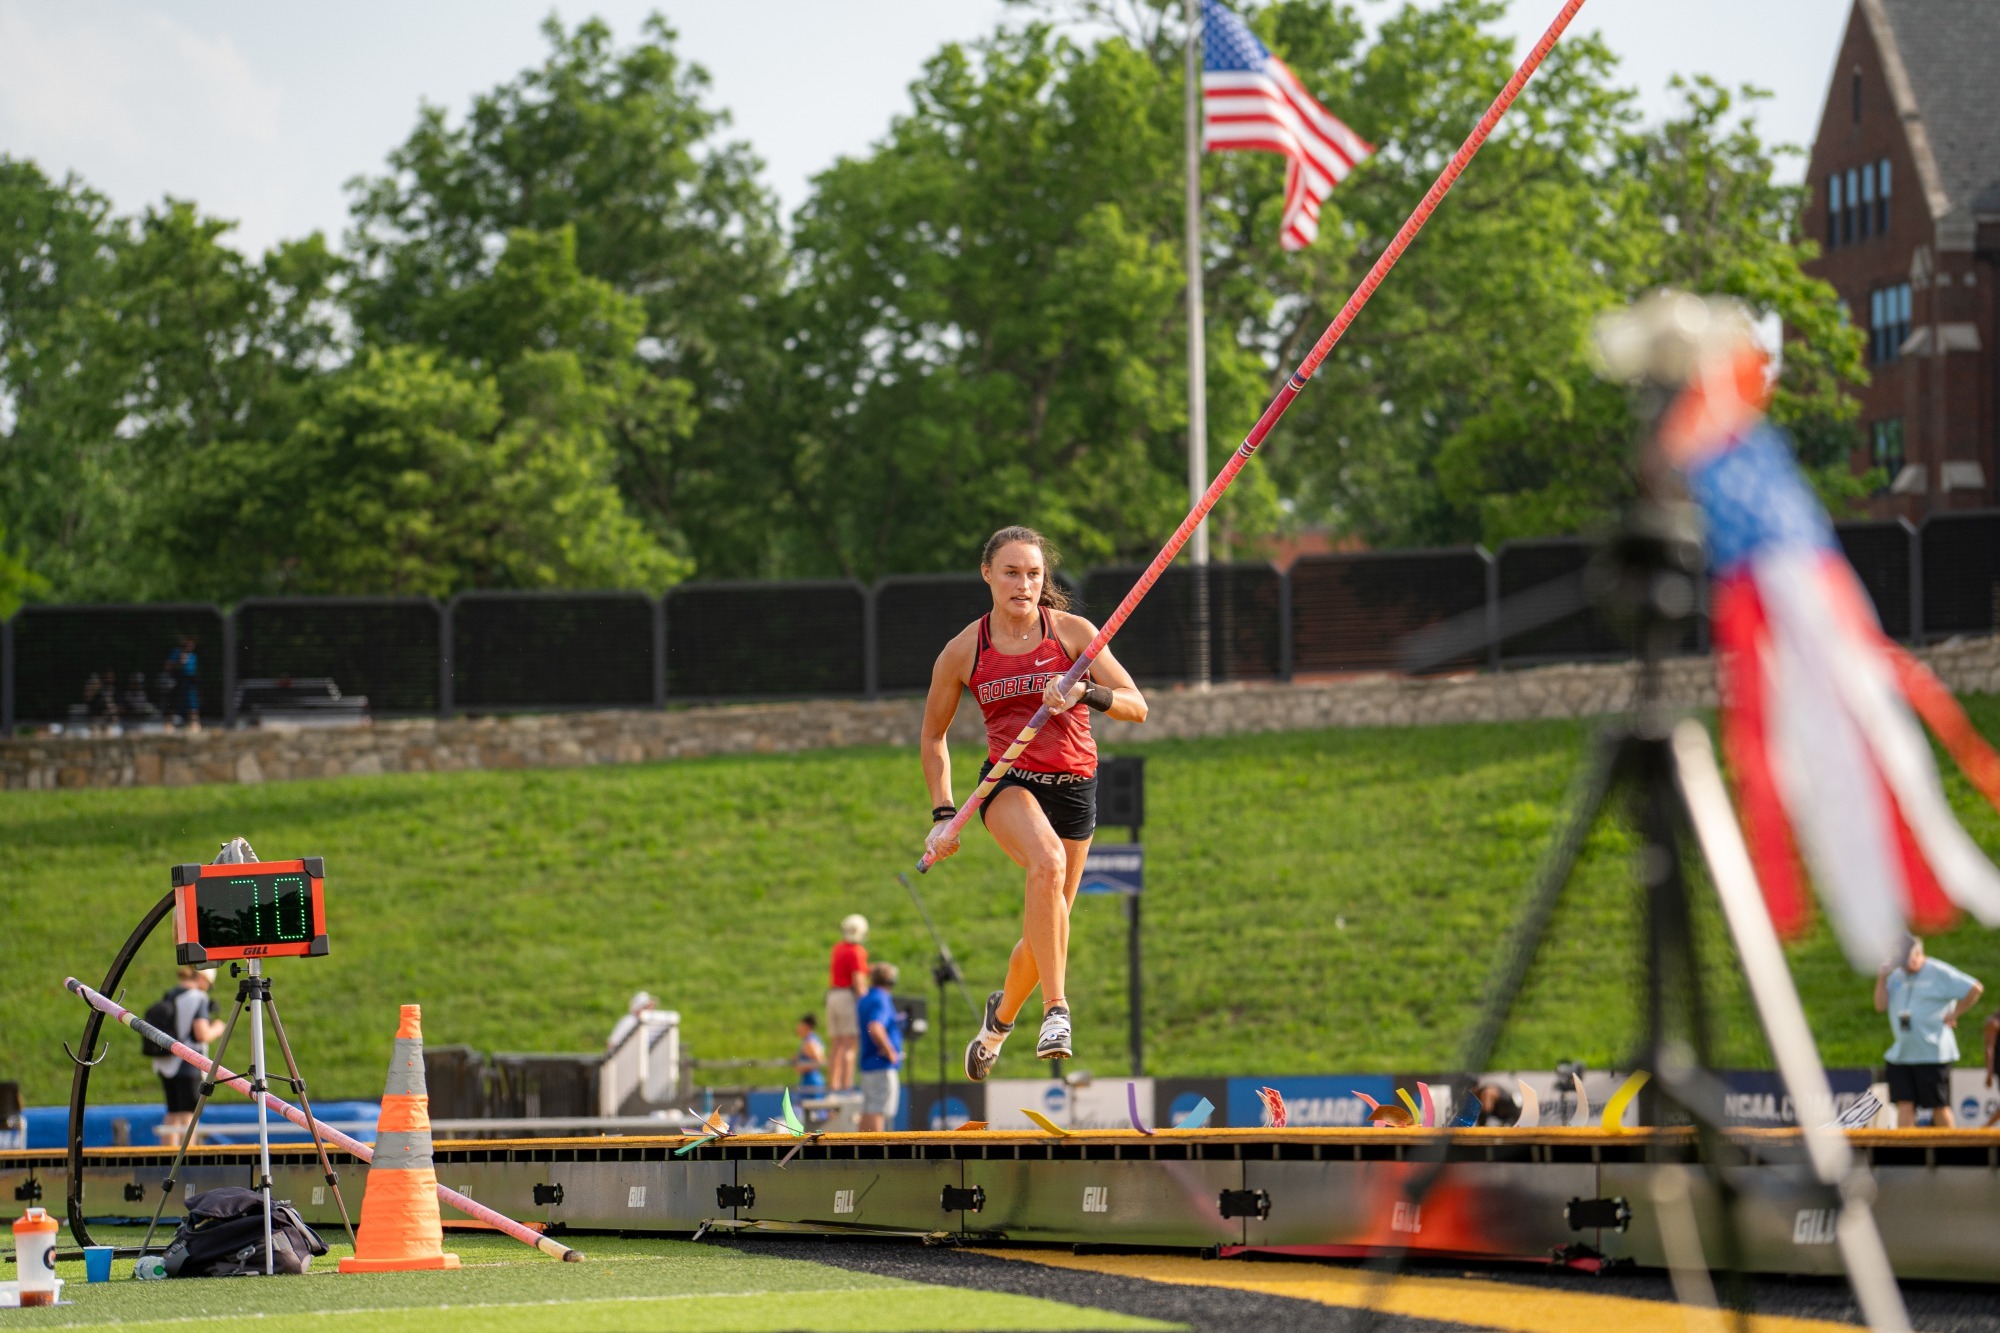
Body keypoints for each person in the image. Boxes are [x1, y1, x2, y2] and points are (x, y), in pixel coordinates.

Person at [922, 525, 1147, 1075]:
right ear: (987, 575)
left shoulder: (1073, 634)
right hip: (1009, 782)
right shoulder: (962, 651)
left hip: (1075, 787)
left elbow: (1137, 705)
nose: (1023, 584)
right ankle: (1056, 1010)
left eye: (1034, 574)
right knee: (1044, 864)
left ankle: (998, 1022)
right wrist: (944, 813)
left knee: (1045, 927)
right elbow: (933, 737)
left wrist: (1084, 692)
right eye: (1011, 572)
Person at [1875, 935, 1984, 1128]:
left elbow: (1975, 988)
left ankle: (1951, 1153)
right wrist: (1882, 978)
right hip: (1902, 1054)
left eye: (1907, 960)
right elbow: (1880, 1006)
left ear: (1918, 953)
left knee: (1938, 1105)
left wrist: (1955, 1013)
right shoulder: (1896, 976)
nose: (1905, 967)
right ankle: (1908, 1155)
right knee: (1905, 1104)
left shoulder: (1938, 971)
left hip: (1933, 1053)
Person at [154, 966, 225, 1145]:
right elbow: (201, 1034)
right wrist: (217, 1028)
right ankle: (186, 1163)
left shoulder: (171, 994)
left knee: (173, 1113)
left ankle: (166, 1160)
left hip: (166, 1062)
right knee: (188, 1116)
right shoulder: (198, 997)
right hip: (188, 1065)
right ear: (203, 979)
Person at [855, 963, 903, 1132]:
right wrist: (889, 1050)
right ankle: (876, 1153)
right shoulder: (882, 998)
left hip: (867, 1063)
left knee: (868, 1110)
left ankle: (861, 1152)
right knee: (878, 1111)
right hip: (881, 1064)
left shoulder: (865, 999)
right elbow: (875, 1026)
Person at [825, 914, 870, 1092]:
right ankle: (846, 1087)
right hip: (847, 998)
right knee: (849, 1044)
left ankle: (833, 1086)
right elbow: (858, 980)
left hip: (833, 995)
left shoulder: (838, 948)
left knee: (836, 1044)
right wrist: (866, 1002)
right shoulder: (857, 950)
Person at [163, 635, 200, 730]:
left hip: (190, 684)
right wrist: (179, 662)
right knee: (173, 704)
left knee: (192, 705)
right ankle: (168, 726)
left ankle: (194, 726)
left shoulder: (193, 656)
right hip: (178, 682)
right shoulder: (177, 652)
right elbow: (168, 667)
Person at [793, 1013, 827, 1094]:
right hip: (809, 1081)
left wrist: (800, 1066)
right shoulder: (810, 1039)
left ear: (805, 1026)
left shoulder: (810, 1042)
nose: (797, 1027)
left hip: (811, 1082)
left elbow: (820, 1061)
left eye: (800, 1024)